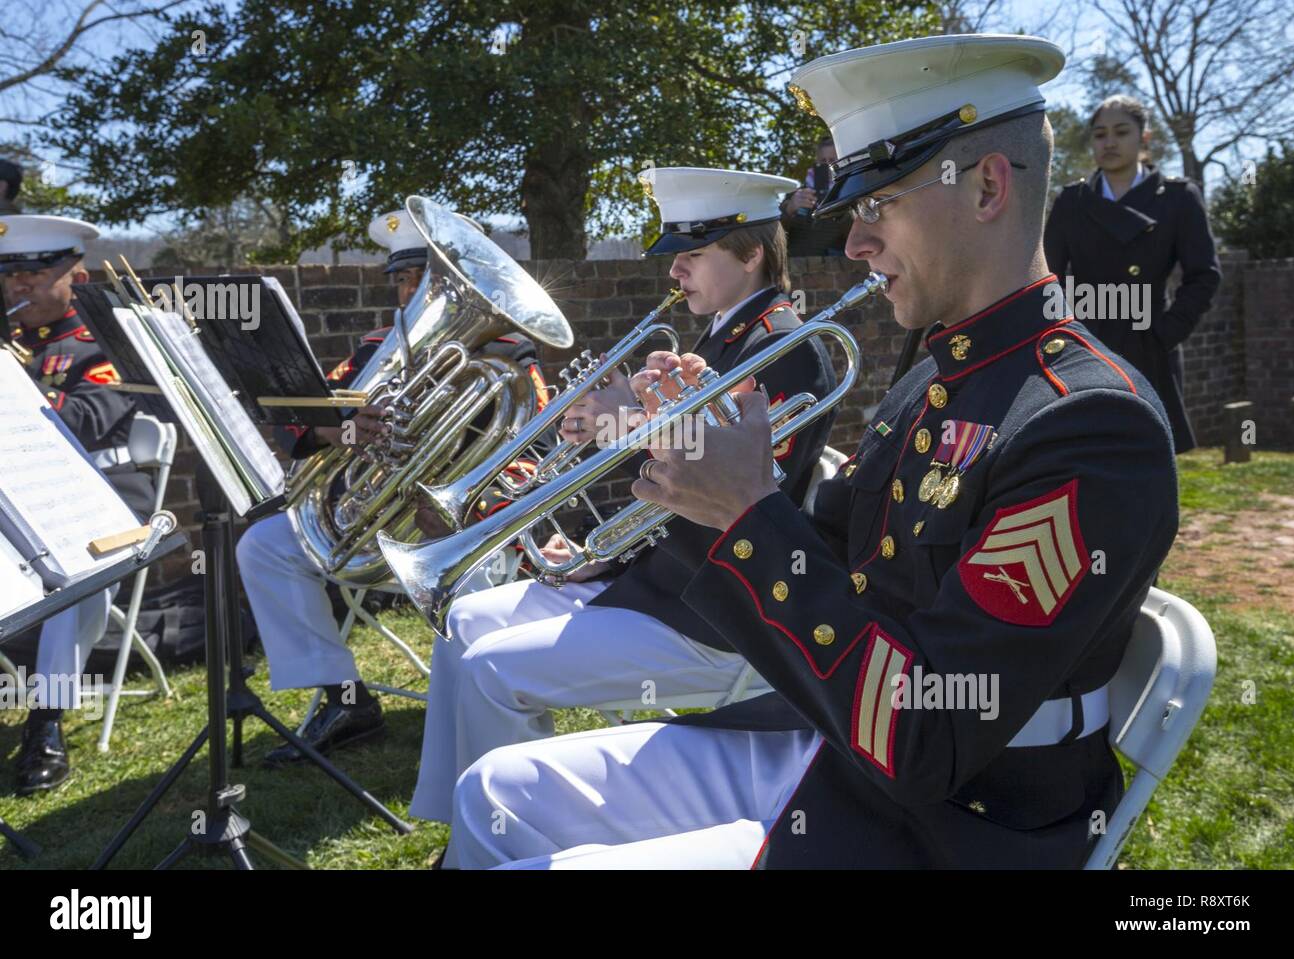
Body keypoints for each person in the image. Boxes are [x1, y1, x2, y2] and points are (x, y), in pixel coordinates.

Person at [445, 33, 1181, 869]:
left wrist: (747, 513)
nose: (856, 243)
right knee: (498, 793)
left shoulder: (1090, 424)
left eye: (881, 205)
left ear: (985, 187)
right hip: (831, 748)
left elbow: (924, 735)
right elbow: (836, 545)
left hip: (938, 827)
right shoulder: (937, 372)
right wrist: (694, 459)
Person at [405, 167, 838, 827]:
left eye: (693, 255)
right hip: (657, 581)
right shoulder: (725, 336)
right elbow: (676, 487)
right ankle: (455, 825)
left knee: (492, 669)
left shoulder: (784, 349)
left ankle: (513, 829)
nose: (676, 273)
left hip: (712, 616)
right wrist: (598, 551)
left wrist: (628, 421)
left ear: (752, 253)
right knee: (462, 622)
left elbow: (741, 502)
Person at [235, 207, 548, 766]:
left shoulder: (508, 357)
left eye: (424, 278)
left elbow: (536, 459)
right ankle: (344, 698)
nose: (411, 292)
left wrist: (453, 490)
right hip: (373, 526)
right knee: (264, 546)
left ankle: (490, 722)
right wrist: (345, 428)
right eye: (403, 279)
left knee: (472, 582)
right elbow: (298, 416)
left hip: (464, 536)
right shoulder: (372, 350)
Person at [1, 214, 153, 794]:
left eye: (36, 273)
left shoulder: (100, 341)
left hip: (100, 506)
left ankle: (46, 723)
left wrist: (17, 383)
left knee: (70, 579)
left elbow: (85, 422)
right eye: (10, 275)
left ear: (76, 273)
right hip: (16, 513)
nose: (20, 287)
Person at [1044, 94, 1221, 453]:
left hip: (1148, 343)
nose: (1109, 142)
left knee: (1148, 461)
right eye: (1099, 134)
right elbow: (1048, 277)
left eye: (1121, 132)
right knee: (1085, 458)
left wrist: (1165, 334)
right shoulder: (1072, 202)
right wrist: (1062, 338)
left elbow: (1204, 275)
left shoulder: (1177, 198)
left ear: (1144, 138)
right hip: (1085, 345)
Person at [780, 136, 851, 256]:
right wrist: (789, 209)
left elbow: (856, 234)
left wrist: (838, 202)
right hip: (798, 269)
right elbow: (774, 234)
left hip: (838, 269)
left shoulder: (850, 190)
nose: (829, 166)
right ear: (817, 162)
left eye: (833, 161)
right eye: (824, 161)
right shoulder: (797, 194)